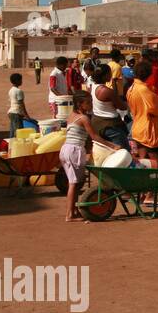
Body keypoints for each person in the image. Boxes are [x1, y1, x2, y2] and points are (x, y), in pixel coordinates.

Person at [60, 92, 119, 222]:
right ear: (79, 104)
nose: (91, 104)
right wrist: (113, 146)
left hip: (66, 149)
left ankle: (74, 211)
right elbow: (94, 137)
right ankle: (70, 214)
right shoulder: (84, 118)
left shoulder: (72, 116)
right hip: (74, 150)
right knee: (74, 184)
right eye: (88, 102)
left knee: (76, 182)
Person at [126, 59, 158, 166]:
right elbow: (156, 109)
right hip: (148, 129)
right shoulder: (143, 90)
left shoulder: (131, 88)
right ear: (149, 75)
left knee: (142, 160)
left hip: (138, 128)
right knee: (155, 161)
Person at [89, 64, 130, 149]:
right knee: (122, 150)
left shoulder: (92, 87)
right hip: (110, 125)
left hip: (97, 123)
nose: (111, 75)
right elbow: (122, 107)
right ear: (105, 75)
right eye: (109, 73)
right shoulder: (106, 91)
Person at [7, 73, 30, 137]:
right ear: (17, 81)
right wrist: (26, 115)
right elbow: (21, 104)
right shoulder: (19, 91)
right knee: (19, 132)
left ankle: (10, 145)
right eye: (20, 80)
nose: (21, 81)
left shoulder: (10, 90)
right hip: (16, 113)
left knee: (12, 131)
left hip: (11, 112)